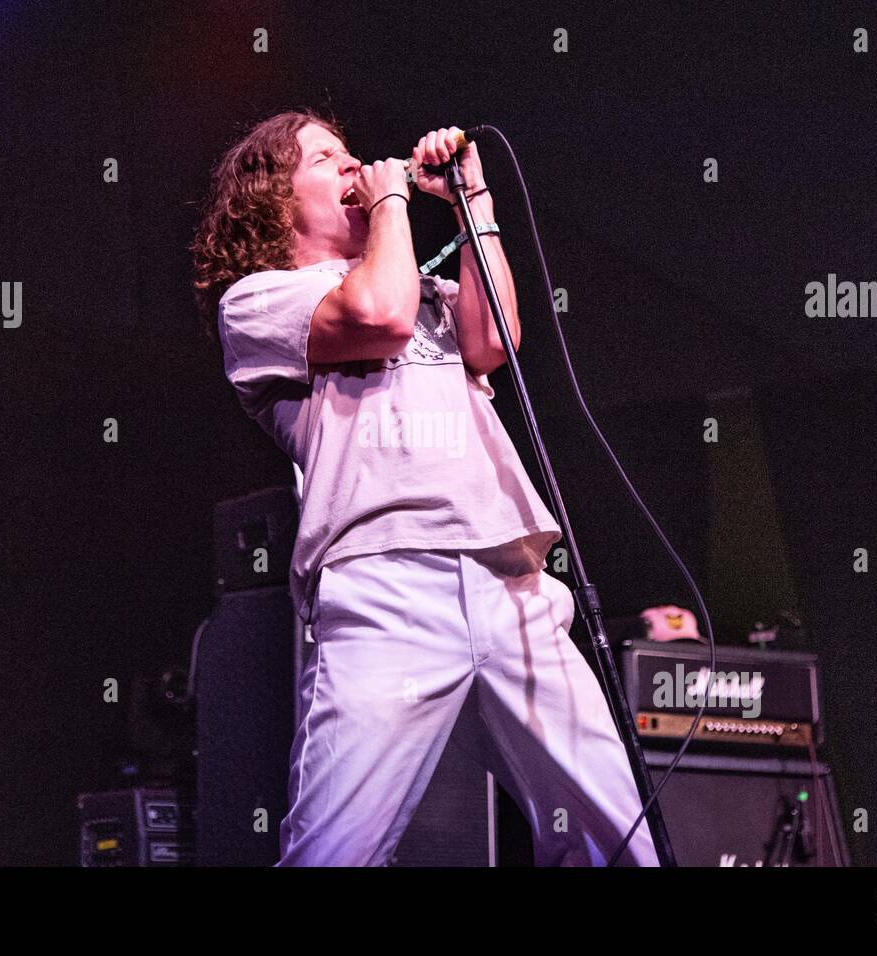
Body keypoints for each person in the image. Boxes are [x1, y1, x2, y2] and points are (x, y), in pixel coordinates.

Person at [190, 109, 658, 867]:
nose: (351, 166)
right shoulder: (260, 303)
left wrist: (475, 203)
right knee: (332, 854)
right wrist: (390, 201)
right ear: (274, 202)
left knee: (624, 841)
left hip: (511, 582)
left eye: (352, 156)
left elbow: (494, 337)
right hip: (384, 592)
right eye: (325, 159)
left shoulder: (424, 286)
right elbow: (378, 315)